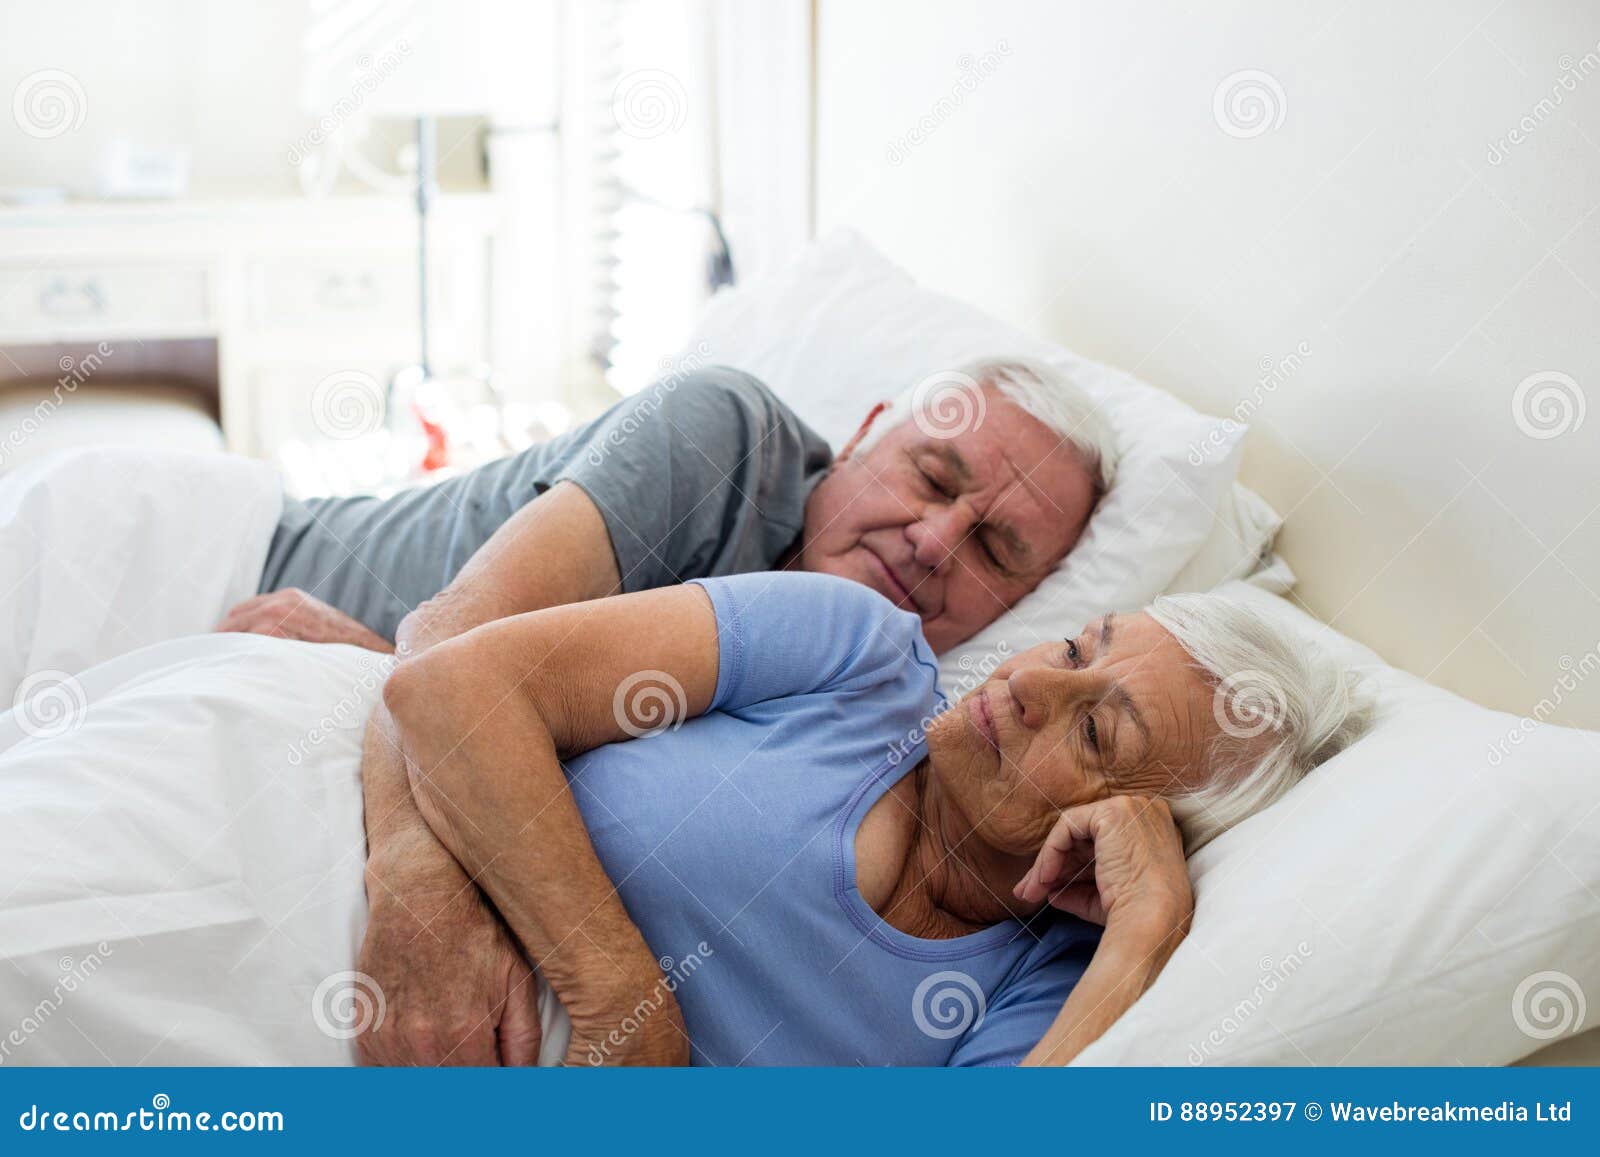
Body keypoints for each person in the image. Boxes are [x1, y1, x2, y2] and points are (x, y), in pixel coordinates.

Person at [220, 358, 1119, 1062]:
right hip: (236, 571)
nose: (933, 542)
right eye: (930, 477)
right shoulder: (725, 437)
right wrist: (425, 887)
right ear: (867, 432)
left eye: (996, 551)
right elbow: (448, 646)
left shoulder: (888, 713)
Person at [368, 570, 1370, 1065]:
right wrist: (623, 999)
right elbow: (454, 688)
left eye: (1098, 730)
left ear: (1137, 824)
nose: (1025, 682)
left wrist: (1139, 938)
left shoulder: (1035, 995)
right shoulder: (855, 650)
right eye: (1073, 649)